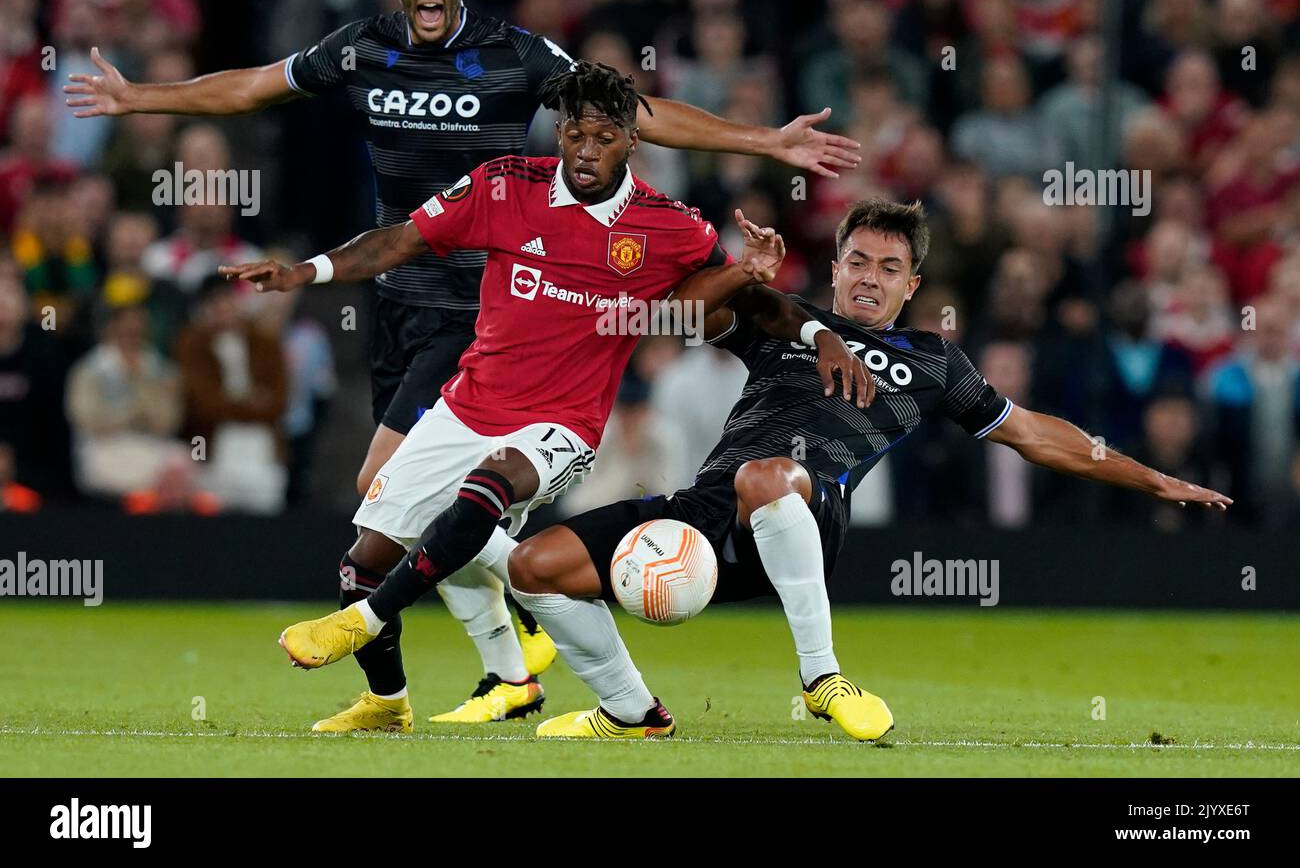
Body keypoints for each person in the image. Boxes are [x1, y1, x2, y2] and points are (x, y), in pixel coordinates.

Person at [65, 0, 862, 714]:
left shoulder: (516, 55)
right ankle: (494, 666)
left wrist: (764, 141)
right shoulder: (362, 47)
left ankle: (498, 650)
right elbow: (253, 88)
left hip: (484, 310)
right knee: (387, 517)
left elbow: (630, 112)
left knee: (394, 487)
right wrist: (141, 99)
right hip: (400, 299)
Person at [222, 62, 872, 733]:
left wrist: (818, 328)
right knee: (362, 560)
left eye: (603, 137)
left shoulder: (668, 225)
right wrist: (305, 271)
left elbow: (734, 304)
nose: (585, 150)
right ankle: (388, 703)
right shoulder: (504, 186)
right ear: (558, 132)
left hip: (562, 423)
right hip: (467, 404)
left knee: (487, 490)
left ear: (631, 141)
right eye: (573, 134)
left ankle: (368, 620)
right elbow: (400, 241)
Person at [499, 197, 1231, 740]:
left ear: (912, 285)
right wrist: (739, 277)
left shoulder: (936, 362)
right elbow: (668, 316)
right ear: (835, 267)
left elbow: (1037, 435)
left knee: (767, 474)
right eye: (857, 262)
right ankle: (632, 712)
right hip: (705, 513)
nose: (870, 279)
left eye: (889, 268)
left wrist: (1154, 477)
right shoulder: (782, 319)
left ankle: (821, 678)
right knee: (532, 565)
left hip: (808, 511)